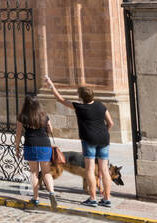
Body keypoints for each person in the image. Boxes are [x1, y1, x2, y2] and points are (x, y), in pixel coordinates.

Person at [44, 75, 114, 208]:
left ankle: (93, 198)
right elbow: (110, 123)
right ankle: (107, 199)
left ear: (81, 97)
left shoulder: (79, 107)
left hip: (89, 140)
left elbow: (60, 99)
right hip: (104, 139)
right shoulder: (101, 106)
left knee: (90, 169)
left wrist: (51, 85)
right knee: (104, 169)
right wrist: (104, 132)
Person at [16, 92, 58, 209]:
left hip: (31, 145)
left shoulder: (22, 117)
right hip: (45, 145)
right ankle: (52, 193)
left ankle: (36, 198)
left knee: (34, 172)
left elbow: (18, 134)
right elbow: (50, 130)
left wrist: (17, 148)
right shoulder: (44, 115)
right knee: (46, 172)